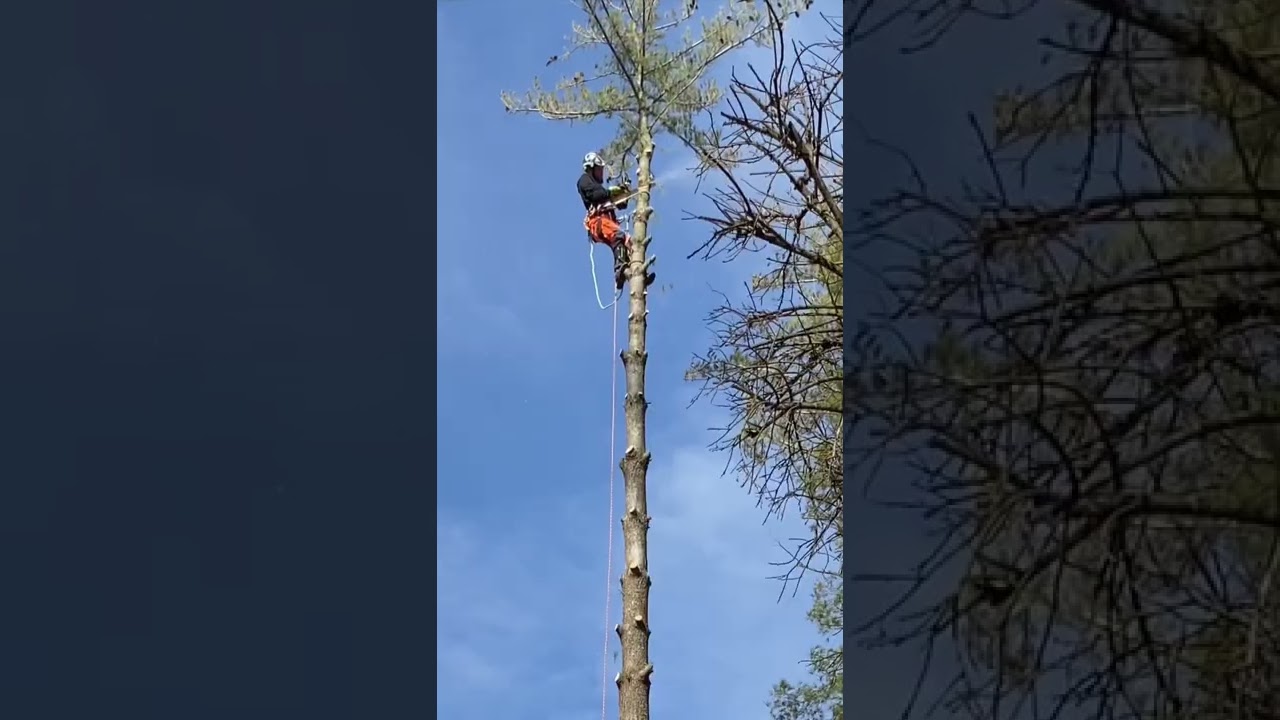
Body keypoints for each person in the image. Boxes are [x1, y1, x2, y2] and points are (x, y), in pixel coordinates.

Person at [578, 152, 655, 290]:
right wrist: (611, 192)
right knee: (618, 236)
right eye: (599, 169)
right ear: (591, 167)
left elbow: (621, 204)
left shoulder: (601, 190)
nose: (602, 172)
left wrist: (623, 192)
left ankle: (637, 274)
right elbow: (596, 195)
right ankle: (620, 269)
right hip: (598, 222)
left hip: (608, 222)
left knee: (630, 243)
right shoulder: (584, 181)